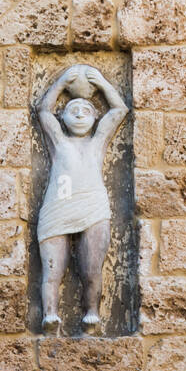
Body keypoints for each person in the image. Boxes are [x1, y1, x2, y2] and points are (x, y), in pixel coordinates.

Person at [35, 64, 128, 329]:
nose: (78, 115)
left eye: (85, 111)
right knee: (52, 270)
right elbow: (43, 111)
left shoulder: (97, 142)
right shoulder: (58, 142)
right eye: (72, 111)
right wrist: (62, 81)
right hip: (59, 204)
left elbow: (119, 111)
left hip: (92, 207)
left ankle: (91, 312)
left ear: (94, 118)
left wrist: (100, 82)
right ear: (62, 118)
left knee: (91, 269)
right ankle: (50, 314)